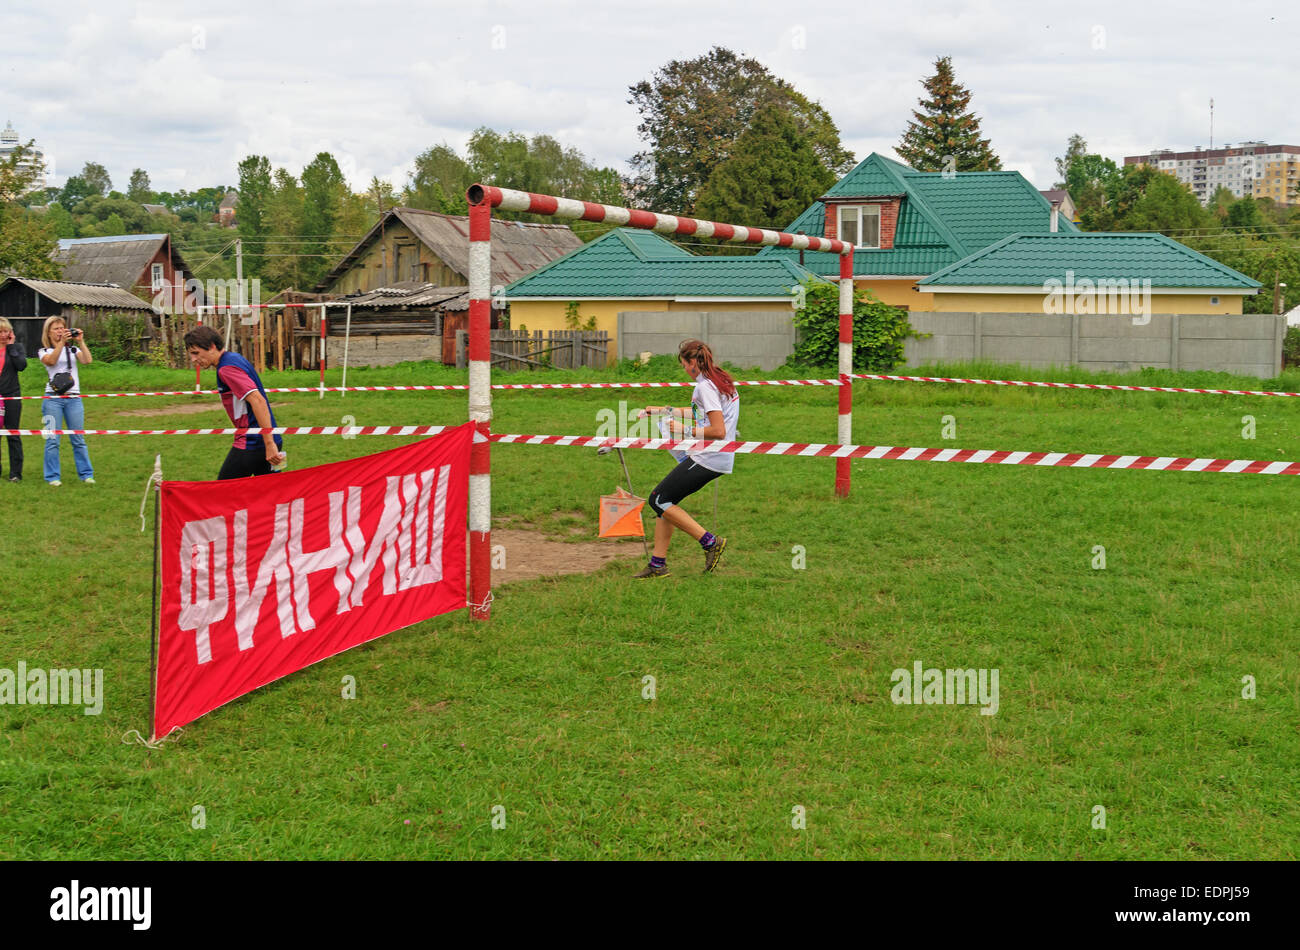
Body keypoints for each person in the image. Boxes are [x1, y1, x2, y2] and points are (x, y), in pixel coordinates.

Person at [632, 339, 739, 578]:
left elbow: (718, 430)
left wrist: (685, 430)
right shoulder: (719, 379)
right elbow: (701, 412)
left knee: (658, 499)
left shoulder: (705, 387)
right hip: (716, 456)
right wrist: (661, 410)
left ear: (692, 363)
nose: (684, 370)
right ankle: (657, 564)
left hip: (709, 456)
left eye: (683, 365)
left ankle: (710, 542)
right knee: (667, 502)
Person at [183, 325, 286, 479]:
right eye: (191, 354)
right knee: (272, 493)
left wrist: (269, 444)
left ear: (212, 347)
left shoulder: (226, 369)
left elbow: (258, 401)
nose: (193, 359)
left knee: (223, 491)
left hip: (253, 443)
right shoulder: (234, 358)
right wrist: (271, 442)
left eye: (196, 353)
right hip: (270, 439)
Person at [38, 316, 94, 487]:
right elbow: (51, 361)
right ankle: (52, 477)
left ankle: (86, 475)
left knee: (78, 438)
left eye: (62, 328)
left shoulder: (72, 349)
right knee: (52, 439)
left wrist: (81, 341)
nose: (60, 331)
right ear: (48, 332)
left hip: (74, 398)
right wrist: (61, 343)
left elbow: (87, 360)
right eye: (56, 329)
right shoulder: (44, 351)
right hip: (52, 399)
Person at [0, 318, 26, 482]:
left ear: (11, 333)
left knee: (13, 434)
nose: (3, 335)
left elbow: (21, 366)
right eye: (0, 332)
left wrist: (11, 347)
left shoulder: (17, 348)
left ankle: (15, 473)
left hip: (12, 396)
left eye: (6, 331)